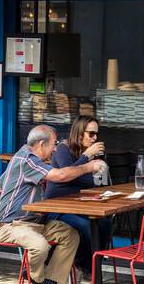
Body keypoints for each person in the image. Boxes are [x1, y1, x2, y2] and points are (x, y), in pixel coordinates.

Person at [0, 124, 105, 284]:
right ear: (40, 144)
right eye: (53, 144)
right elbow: (60, 175)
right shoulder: (27, 159)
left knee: (71, 235)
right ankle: (35, 278)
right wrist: (88, 166)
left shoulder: (24, 158)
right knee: (40, 245)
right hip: (12, 225)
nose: (55, 148)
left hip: (36, 222)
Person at [44, 116, 112, 271]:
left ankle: (93, 267)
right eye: (91, 134)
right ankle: (82, 266)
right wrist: (86, 157)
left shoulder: (90, 153)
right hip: (57, 207)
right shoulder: (63, 149)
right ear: (79, 133)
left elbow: (91, 182)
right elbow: (67, 174)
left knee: (105, 224)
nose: (95, 138)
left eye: (96, 134)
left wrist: (100, 170)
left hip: (79, 205)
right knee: (86, 226)